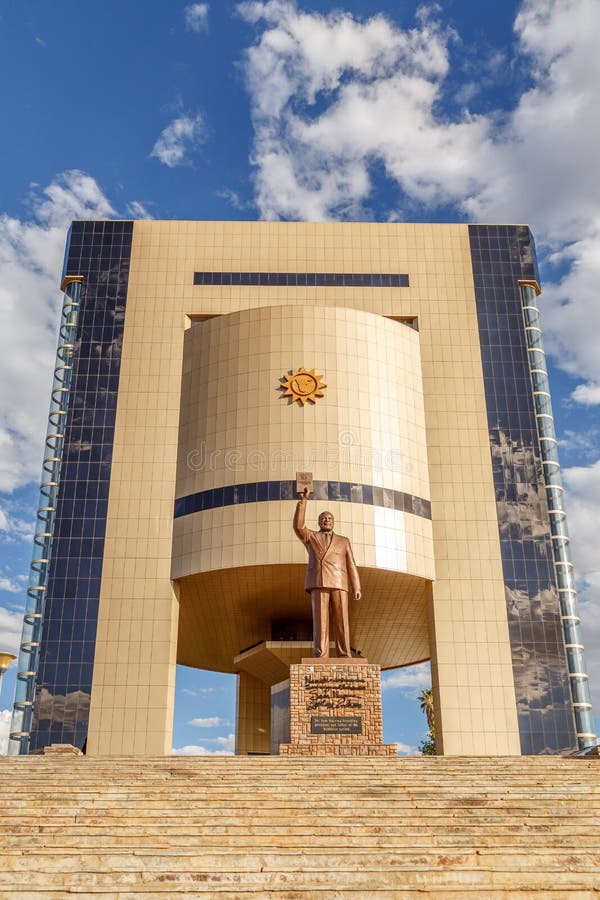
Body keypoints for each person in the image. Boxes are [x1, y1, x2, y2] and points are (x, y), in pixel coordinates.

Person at [293, 488, 361, 658]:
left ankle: (345, 654)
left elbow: (351, 565)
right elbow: (298, 526)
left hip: (339, 583)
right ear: (319, 522)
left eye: (329, 518)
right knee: (320, 622)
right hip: (319, 582)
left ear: (333, 522)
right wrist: (303, 502)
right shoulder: (312, 538)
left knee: (342, 621)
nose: (326, 520)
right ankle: (320, 655)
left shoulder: (343, 541)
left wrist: (356, 586)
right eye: (323, 518)